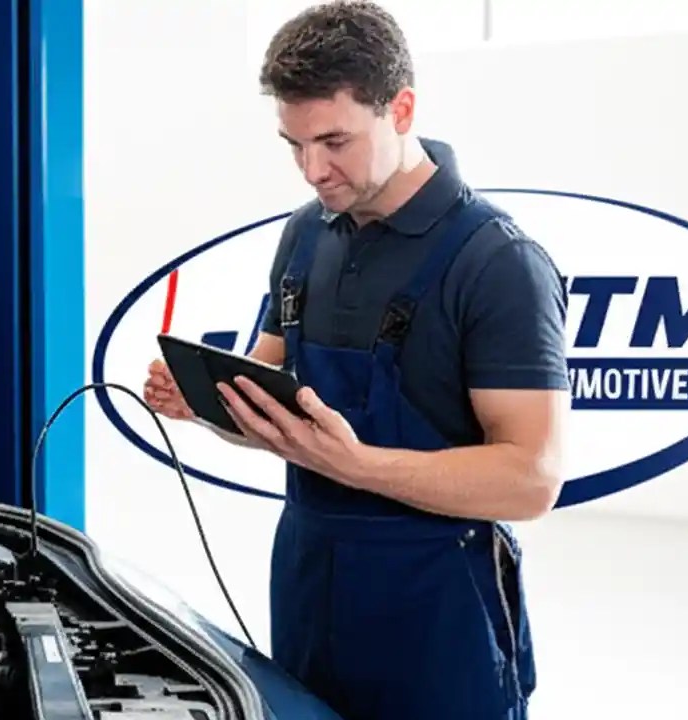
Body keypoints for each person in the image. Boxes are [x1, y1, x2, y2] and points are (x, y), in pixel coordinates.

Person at [143, 2, 570, 719]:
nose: (313, 170)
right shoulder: (306, 236)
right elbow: (273, 406)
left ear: (400, 109)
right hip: (311, 583)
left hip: (437, 607)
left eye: (335, 140)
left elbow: (531, 479)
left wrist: (356, 464)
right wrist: (211, 405)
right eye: (294, 144)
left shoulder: (498, 262)